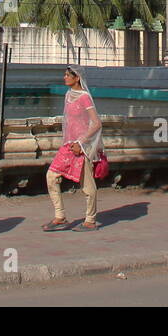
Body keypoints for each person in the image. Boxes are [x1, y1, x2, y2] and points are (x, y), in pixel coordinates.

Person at [43, 66, 104, 232]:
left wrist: (81, 142)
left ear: (76, 78)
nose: (64, 78)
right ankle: (60, 216)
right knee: (51, 176)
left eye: (67, 75)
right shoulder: (68, 95)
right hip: (69, 145)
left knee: (87, 185)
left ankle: (90, 220)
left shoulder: (84, 97)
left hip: (82, 147)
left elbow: (96, 123)